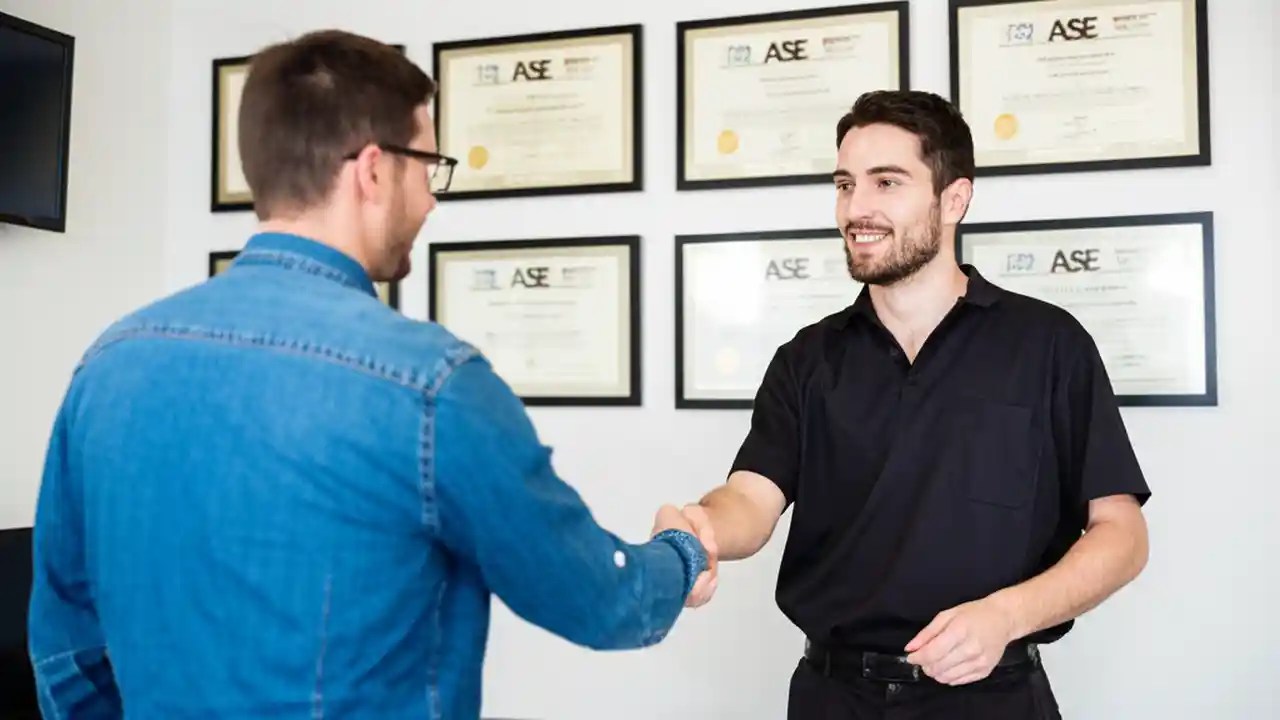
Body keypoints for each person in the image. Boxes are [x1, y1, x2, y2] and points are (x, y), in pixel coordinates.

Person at [27, 30, 712, 719]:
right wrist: (682, 552)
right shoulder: (432, 384)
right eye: (429, 168)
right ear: (374, 172)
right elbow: (602, 602)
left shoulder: (109, 362)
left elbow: (66, 653)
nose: (431, 201)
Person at [667, 89, 1151, 719]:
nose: (856, 209)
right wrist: (704, 527)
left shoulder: (1049, 345)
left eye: (886, 182)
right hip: (832, 698)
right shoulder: (807, 359)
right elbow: (751, 499)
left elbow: (1123, 533)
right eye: (844, 185)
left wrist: (1008, 614)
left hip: (993, 699)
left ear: (955, 199)